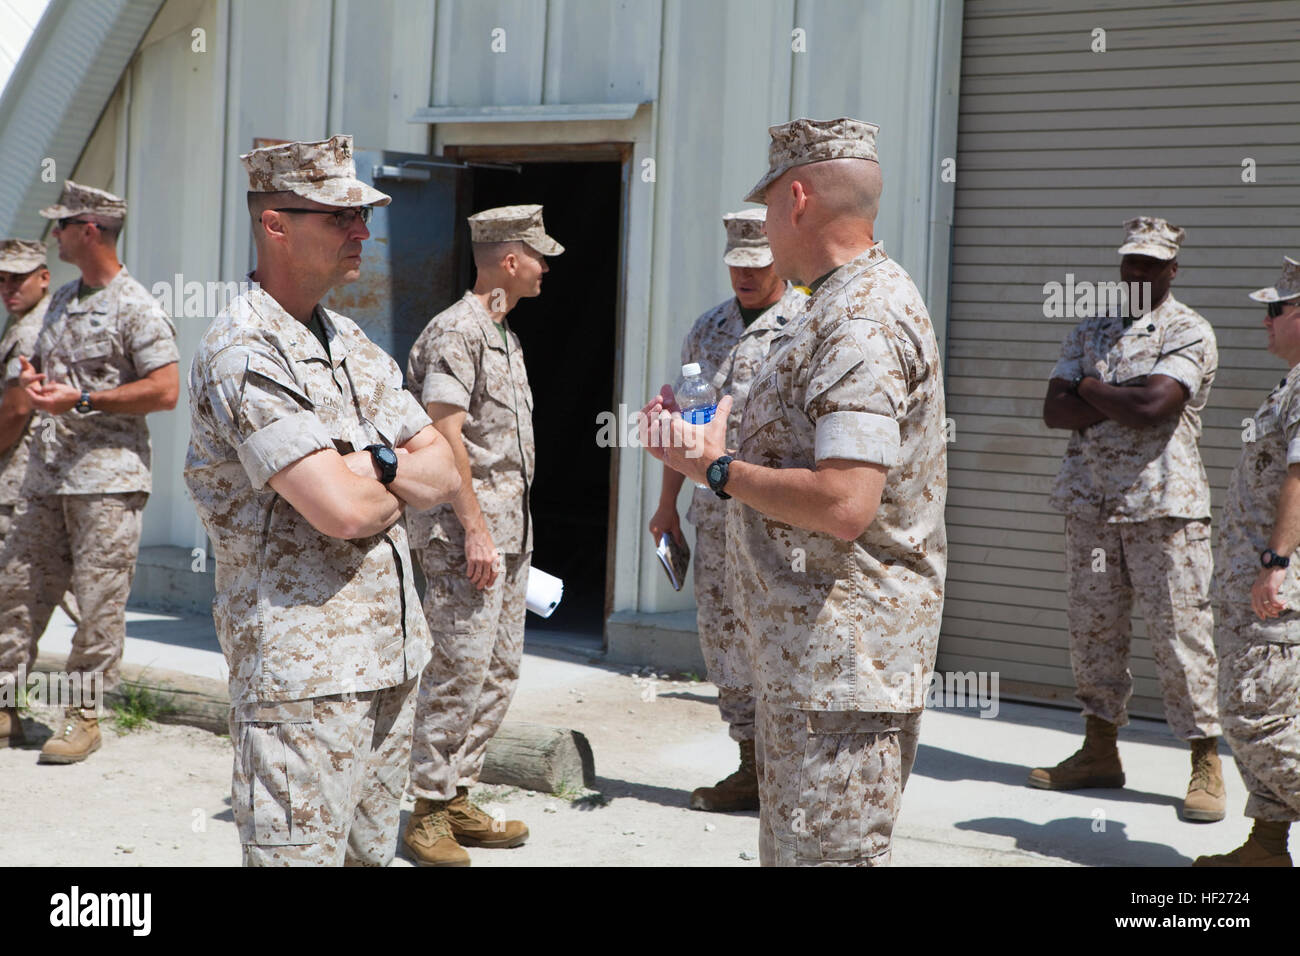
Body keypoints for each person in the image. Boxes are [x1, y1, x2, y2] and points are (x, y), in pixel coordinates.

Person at [643, 117, 947, 866]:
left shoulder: (861, 321)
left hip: (841, 668)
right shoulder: (827, 305)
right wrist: (700, 445)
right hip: (804, 657)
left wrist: (713, 472)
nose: (764, 227)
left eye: (770, 204)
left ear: (799, 198)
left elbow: (844, 503)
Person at [184, 134, 459, 866]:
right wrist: (398, 475)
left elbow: (448, 473)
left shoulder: (351, 342)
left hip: (389, 662)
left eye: (361, 216)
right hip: (303, 683)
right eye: (340, 218)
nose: (362, 232)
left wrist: (371, 462)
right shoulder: (244, 351)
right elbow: (343, 512)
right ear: (276, 223)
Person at [1033, 217, 1224, 823]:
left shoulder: (1188, 330)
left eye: (1151, 263)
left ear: (1173, 269)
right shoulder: (1091, 328)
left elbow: (1154, 407)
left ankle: (1206, 761)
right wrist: (1110, 392)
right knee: (1094, 631)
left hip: (1164, 508)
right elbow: (1051, 412)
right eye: (1131, 261)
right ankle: (1099, 751)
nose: (1138, 272)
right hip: (1090, 505)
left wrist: (1088, 388)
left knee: (1181, 637)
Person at [401, 204, 562, 866]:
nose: (547, 267)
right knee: (457, 669)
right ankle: (424, 811)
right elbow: (444, 438)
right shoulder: (456, 333)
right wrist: (473, 530)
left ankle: (456, 793)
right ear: (508, 260)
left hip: (507, 533)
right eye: (539, 255)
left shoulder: (503, 334)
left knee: (498, 670)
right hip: (461, 534)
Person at [0, 183, 179, 764]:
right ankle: (4, 705)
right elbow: (52, 378)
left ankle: (83, 716)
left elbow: (165, 389)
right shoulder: (61, 301)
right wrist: (35, 385)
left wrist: (83, 401)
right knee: (18, 590)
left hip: (105, 479)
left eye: (62, 226)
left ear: (90, 230)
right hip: (45, 476)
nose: (54, 236)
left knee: (99, 603)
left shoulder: (136, 305)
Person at [649, 208, 806, 812]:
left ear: (779, 259)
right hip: (713, 518)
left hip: (780, 516)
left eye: (757, 264)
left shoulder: (807, 322)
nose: (744, 276)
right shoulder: (708, 329)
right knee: (725, 637)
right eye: (736, 264)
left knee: (783, 637)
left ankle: (788, 771)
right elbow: (683, 427)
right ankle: (750, 764)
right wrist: (667, 505)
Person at [1194, 256, 1300, 867]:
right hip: (1251, 584)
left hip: (1276, 587)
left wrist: (1275, 559)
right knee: (1269, 714)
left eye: (1275, 310)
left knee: (1257, 719)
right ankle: (1267, 848)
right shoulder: (1290, 382)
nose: (1264, 322)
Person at [0, 239, 51, 748]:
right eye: (2, 279)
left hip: (17, 484)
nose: (9, 288)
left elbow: (14, 414)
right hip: (27, 483)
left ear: (44, 277)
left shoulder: (30, 332)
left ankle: (6, 710)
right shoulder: (26, 326)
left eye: (19, 277)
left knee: (14, 599)